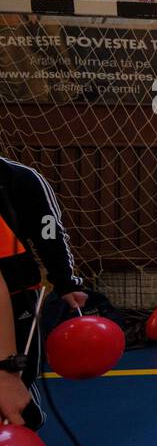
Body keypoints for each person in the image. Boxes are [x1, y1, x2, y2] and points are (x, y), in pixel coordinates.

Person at [0, 155, 89, 430]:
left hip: (17, 298)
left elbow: (49, 234)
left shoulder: (21, 178)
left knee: (17, 387)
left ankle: (21, 434)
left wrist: (66, 282)